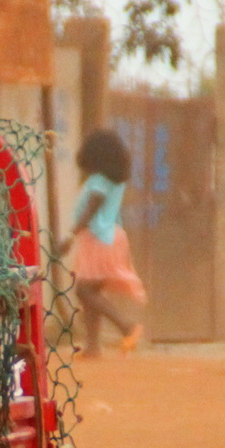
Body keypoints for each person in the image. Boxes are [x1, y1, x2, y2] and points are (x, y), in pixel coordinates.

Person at [64, 128, 145, 356]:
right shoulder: (113, 180)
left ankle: (126, 326)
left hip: (99, 237)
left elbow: (90, 210)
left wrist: (71, 236)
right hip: (110, 236)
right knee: (92, 293)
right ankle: (92, 346)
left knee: (85, 291)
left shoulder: (99, 181)